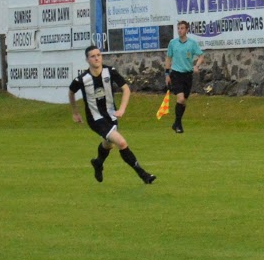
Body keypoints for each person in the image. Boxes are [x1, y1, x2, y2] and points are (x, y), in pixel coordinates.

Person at [71, 44, 155, 185]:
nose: (97, 58)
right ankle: (143, 174)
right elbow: (71, 91)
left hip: (111, 115)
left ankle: (98, 162)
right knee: (121, 142)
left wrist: (121, 109)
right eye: (93, 56)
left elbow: (126, 89)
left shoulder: (110, 72)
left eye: (99, 55)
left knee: (109, 144)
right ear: (87, 60)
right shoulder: (82, 79)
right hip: (95, 118)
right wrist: (75, 112)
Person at [163, 20, 206, 134]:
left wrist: (196, 65)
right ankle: (178, 125)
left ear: (187, 30)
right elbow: (168, 58)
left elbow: (201, 56)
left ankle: (176, 123)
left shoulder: (192, 43)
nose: (180, 30)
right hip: (176, 74)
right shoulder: (173, 43)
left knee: (183, 102)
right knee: (180, 98)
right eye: (178, 28)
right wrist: (167, 74)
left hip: (187, 75)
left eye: (182, 28)